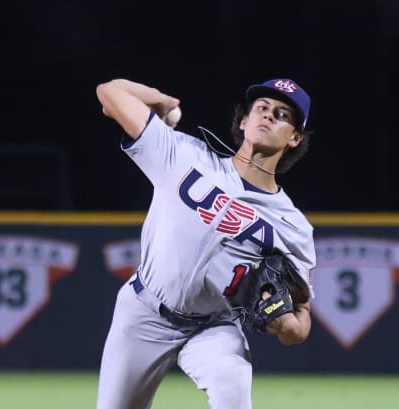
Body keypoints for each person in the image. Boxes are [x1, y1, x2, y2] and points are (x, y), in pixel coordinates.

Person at [95, 77, 317, 409]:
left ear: (295, 138)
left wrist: (285, 323)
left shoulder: (293, 225)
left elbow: (301, 319)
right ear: (244, 122)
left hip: (213, 327)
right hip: (143, 312)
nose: (269, 116)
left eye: (282, 115)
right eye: (262, 108)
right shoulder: (183, 155)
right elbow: (109, 93)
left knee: (234, 390)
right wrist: (163, 100)